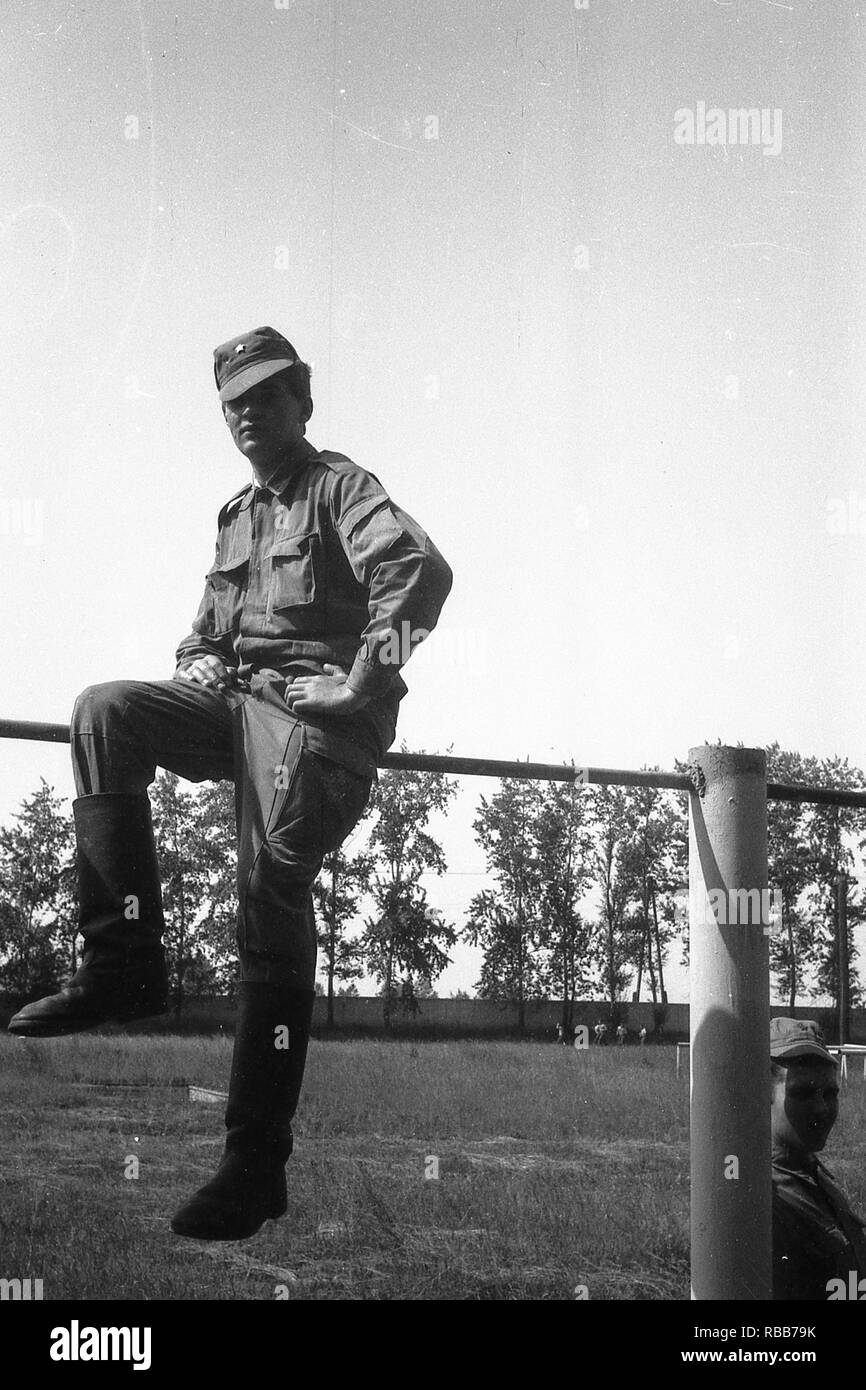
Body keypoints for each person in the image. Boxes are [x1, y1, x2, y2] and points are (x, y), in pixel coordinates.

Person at [8, 325, 453, 1241]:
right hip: (236, 714)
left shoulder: (338, 488)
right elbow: (203, 633)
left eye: (266, 396)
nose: (249, 414)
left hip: (316, 725)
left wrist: (362, 679)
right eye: (234, 403)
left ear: (304, 401)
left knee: (265, 895)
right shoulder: (236, 517)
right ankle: (123, 963)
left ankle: (255, 1164)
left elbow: (423, 573)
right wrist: (198, 664)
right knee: (105, 710)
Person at [771, 1017, 866, 1299]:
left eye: (830, 1093)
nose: (822, 1109)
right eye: (802, 1094)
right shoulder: (763, 1199)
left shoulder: (809, 1170)